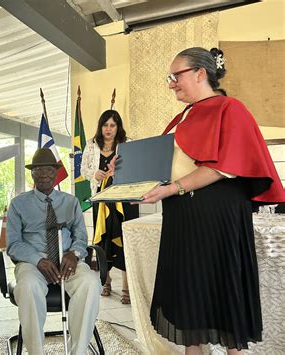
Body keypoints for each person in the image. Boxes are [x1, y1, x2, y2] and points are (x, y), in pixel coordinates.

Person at [110, 47, 285, 354]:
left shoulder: (231, 108)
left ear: (200, 74)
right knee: (190, 297)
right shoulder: (184, 116)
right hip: (183, 215)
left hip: (216, 215)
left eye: (175, 76)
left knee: (224, 294)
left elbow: (224, 165)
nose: (171, 84)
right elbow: (163, 159)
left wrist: (174, 187)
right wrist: (123, 167)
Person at [6, 148, 102, 354]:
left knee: (91, 283)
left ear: (56, 172)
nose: (44, 174)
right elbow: (13, 244)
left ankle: (79, 351)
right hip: (34, 263)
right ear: (32, 174)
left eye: (49, 169)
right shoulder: (18, 204)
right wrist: (37, 260)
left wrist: (75, 253)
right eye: (38, 170)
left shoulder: (71, 202)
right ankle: (36, 351)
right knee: (28, 286)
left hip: (67, 259)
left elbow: (82, 237)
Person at [81, 110, 139, 304]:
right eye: (105, 125)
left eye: (112, 125)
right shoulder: (91, 144)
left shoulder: (128, 144)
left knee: (125, 239)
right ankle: (105, 280)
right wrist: (94, 174)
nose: (108, 129)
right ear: (100, 126)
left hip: (125, 200)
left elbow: (135, 169)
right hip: (102, 198)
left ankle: (126, 286)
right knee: (103, 238)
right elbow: (83, 170)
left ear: (118, 127)